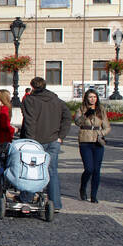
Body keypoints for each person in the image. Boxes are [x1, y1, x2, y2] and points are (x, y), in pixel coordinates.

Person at [19, 76, 72, 211]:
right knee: (52, 172)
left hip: (36, 141)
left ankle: (27, 198)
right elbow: (67, 117)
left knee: (31, 171)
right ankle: (56, 203)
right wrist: (61, 135)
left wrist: (30, 140)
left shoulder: (30, 100)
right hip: (53, 140)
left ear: (32, 87)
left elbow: (29, 121)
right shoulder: (56, 100)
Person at [75, 88, 111, 204]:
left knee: (96, 170)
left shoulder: (101, 110)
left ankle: (94, 195)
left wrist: (101, 133)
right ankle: (83, 187)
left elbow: (107, 127)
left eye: (94, 97)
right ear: (86, 98)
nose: (92, 99)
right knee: (89, 168)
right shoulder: (81, 109)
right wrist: (85, 115)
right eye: (90, 97)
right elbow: (77, 122)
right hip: (85, 140)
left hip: (97, 141)